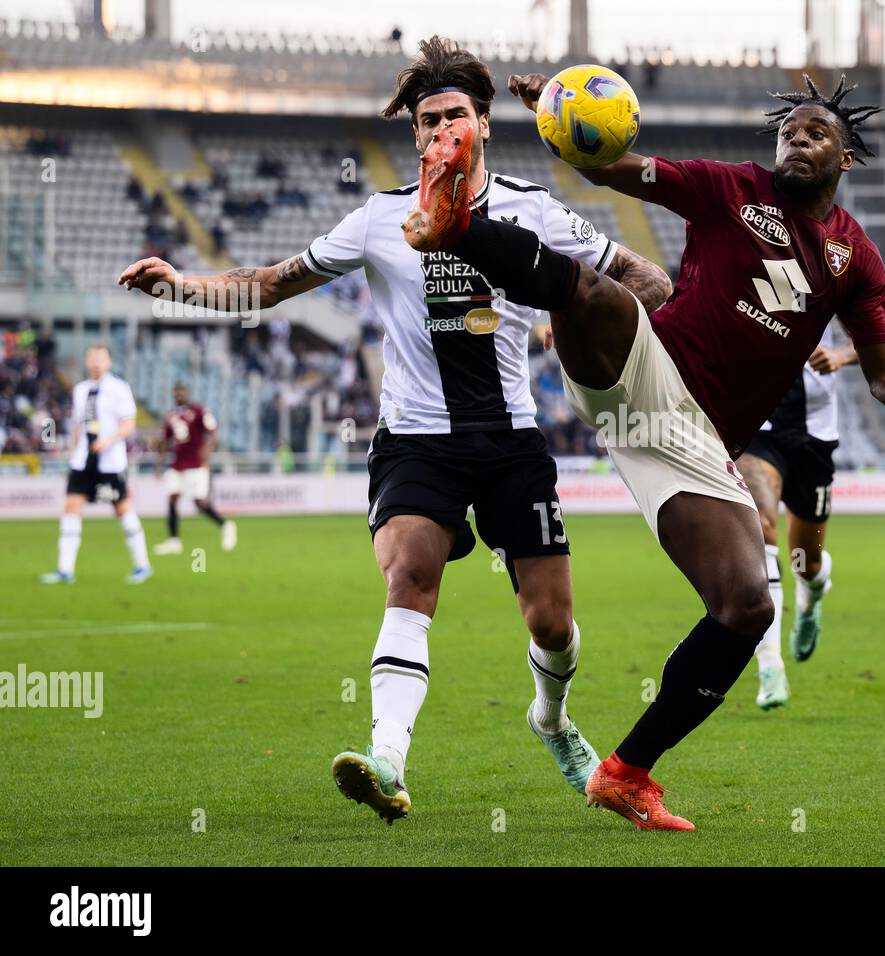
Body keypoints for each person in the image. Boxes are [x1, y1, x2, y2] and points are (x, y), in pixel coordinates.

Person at [401, 72, 885, 829]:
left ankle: (626, 772)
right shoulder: (731, 188)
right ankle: (454, 225)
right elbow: (605, 167)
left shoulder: (856, 259)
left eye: (817, 132)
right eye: (789, 130)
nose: (798, 139)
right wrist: (559, 110)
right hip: (647, 366)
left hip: (690, 442)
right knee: (596, 292)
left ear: (845, 156)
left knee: (747, 604)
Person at [117, 36, 672, 825]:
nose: (440, 127)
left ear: (483, 123)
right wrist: (179, 289)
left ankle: (549, 719)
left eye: (454, 114)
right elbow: (272, 284)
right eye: (426, 119)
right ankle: (387, 758)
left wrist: (585, 329)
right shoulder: (380, 218)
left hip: (513, 438)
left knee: (552, 621)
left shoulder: (533, 211)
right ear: (415, 135)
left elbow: (643, 279)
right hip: (416, 438)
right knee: (409, 576)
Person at [737, 326, 856, 709]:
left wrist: (842, 355)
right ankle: (770, 665)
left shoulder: (838, 270)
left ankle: (812, 593)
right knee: (762, 529)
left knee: (806, 561)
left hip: (814, 440)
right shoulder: (746, 268)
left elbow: (877, 336)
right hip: (758, 430)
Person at [40, 343, 152, 585]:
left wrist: (108, 441)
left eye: (100, 358)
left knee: (122, 509)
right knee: (71, 507)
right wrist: (74, 448)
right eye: (91, 357)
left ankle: (142, 565)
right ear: (86, 361)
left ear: (109, 362)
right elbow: (78, 423)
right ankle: (64, 570)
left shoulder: (119, 388)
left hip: (110, 462)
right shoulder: (81, 389)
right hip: (83, 461)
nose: (95, 362)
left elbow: (128, 423)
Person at [152, 382, 237, 555]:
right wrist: (159, 465)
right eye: (175, 392)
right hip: (177, 465)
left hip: (196, 464)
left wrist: (208, 448)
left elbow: (213, 432)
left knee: (199, 503)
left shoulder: (199, 411)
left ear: (187, 392)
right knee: (172, 499)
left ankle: (225, 525)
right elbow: (164, 442)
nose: (178, 395)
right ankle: (174, 541)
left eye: (181, 391)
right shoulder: (170, 415)